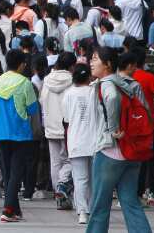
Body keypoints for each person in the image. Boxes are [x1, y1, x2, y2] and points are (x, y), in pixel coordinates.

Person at [86, 48, 152, 233]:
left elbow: (112, 98)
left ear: (107, 64)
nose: (91, 62)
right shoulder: (128, 83)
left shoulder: (106, 84)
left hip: (109, 152)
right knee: (131, 202)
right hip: (131, 151)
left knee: (99, 204)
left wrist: (113, 128)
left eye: (95, 59)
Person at [0, 49, 40, 223]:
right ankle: (8, 210)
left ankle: (15, 209)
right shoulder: (25, 83)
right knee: (16, 173)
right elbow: (33, 109)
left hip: (0, 134)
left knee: (8, 173)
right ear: (21, 64)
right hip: (20, 134)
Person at [61, 62, 99, 225]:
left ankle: (82, 212)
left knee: (80, 178)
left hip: (76, 140)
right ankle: (91, 208)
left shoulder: (68, 94)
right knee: (92, 178)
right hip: (95, 140)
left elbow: (67, 119)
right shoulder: (94, 92)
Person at [39, 54, 74, 210]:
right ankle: (62, 186)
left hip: (50, 127)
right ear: (71, 66)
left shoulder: (46, 81)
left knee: (55, 162)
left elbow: (42, 102)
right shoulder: (72, 82)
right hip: (67, 127)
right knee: (69, 161)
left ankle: (58, 193)